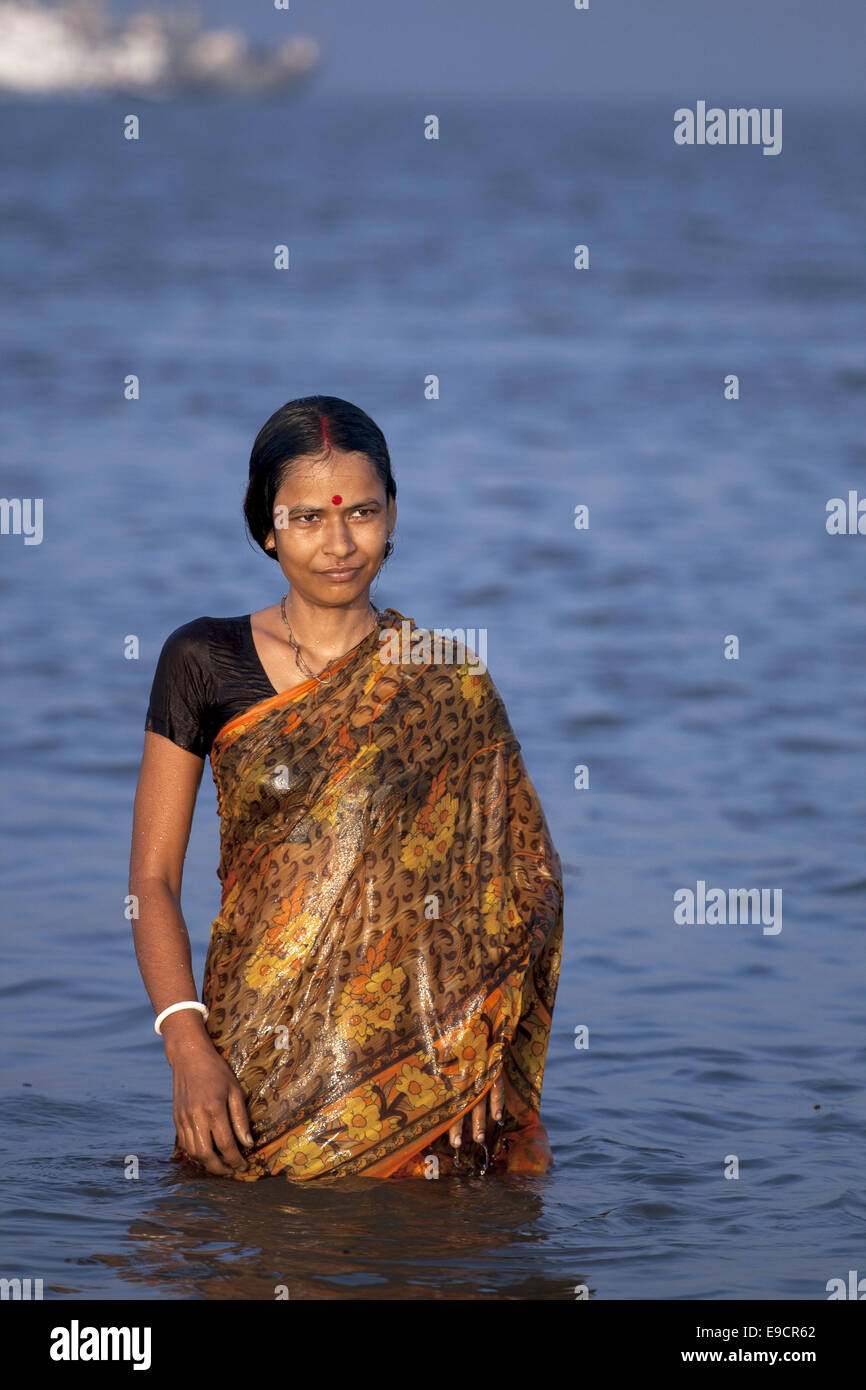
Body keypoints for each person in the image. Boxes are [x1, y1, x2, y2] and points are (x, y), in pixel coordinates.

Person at [129, 395, 564, 1181]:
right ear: (267, 527)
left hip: (432, 1076)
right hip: (252, 1065)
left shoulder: (446, 680)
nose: (338, 544)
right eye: (306, 519)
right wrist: (187, 1046)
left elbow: (523, 877)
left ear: (392, 515)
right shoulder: (202, 660)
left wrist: (485, 1045)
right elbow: (152, 882)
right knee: (222, 1235)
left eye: (361, 512)